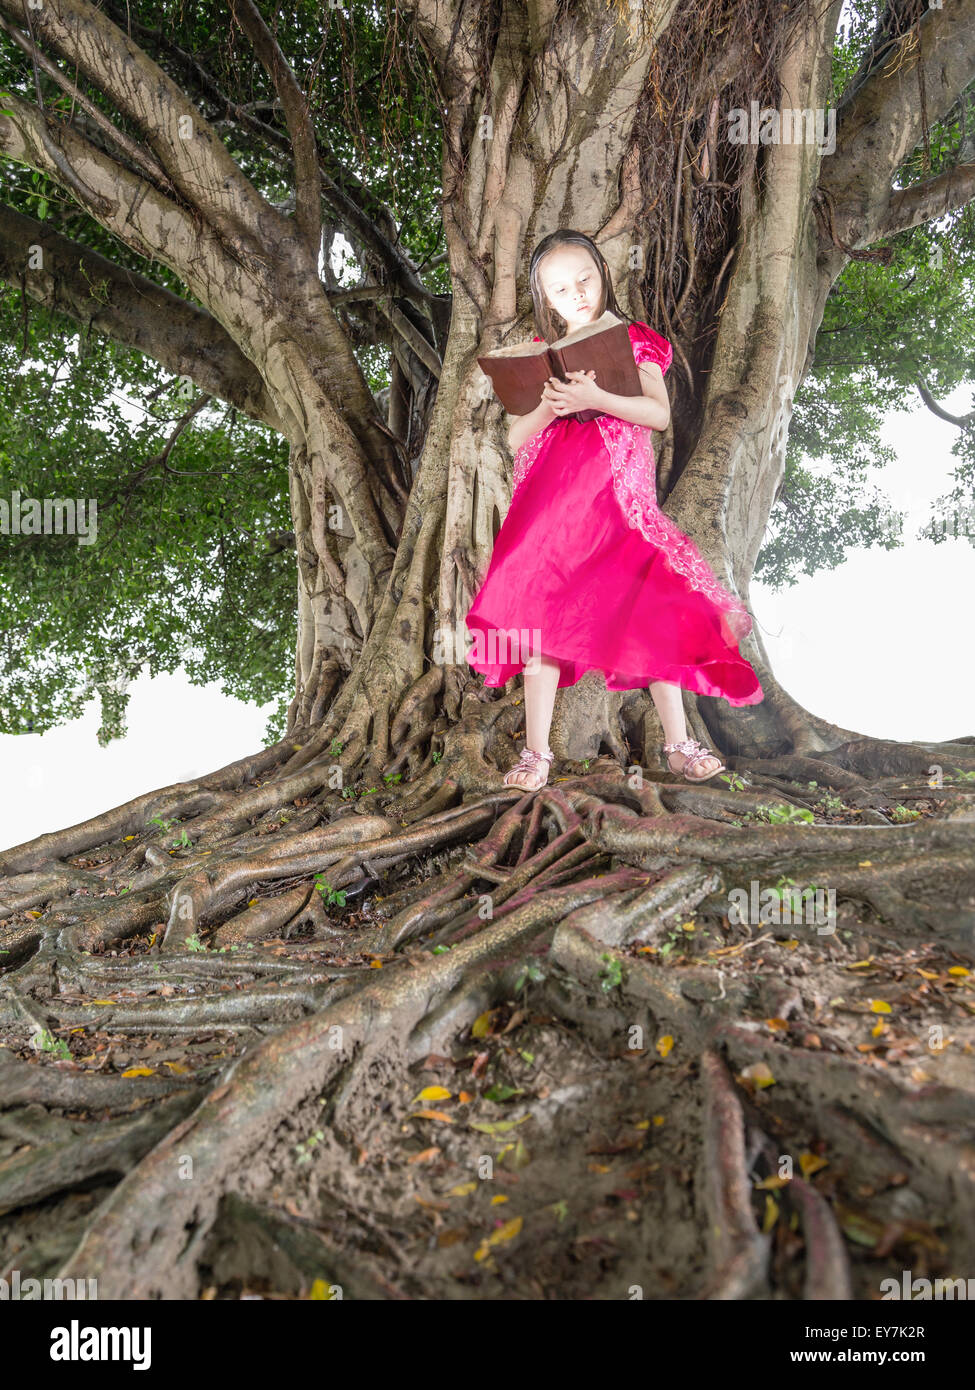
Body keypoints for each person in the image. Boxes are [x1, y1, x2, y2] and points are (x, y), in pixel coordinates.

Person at [464, 229, 763, 791]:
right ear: (545, 298)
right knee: (538, 619)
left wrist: (595, 399)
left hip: (620, 503)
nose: (576, 294)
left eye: (585, 280)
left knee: (648, 609)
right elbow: (513, 436)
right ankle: (536, 754)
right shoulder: (539, 354)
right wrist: (552, 407)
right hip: (551, 508)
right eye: (560, 289)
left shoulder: (635, 340)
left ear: (604, 274)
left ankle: (676, 744)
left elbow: (657, 413)